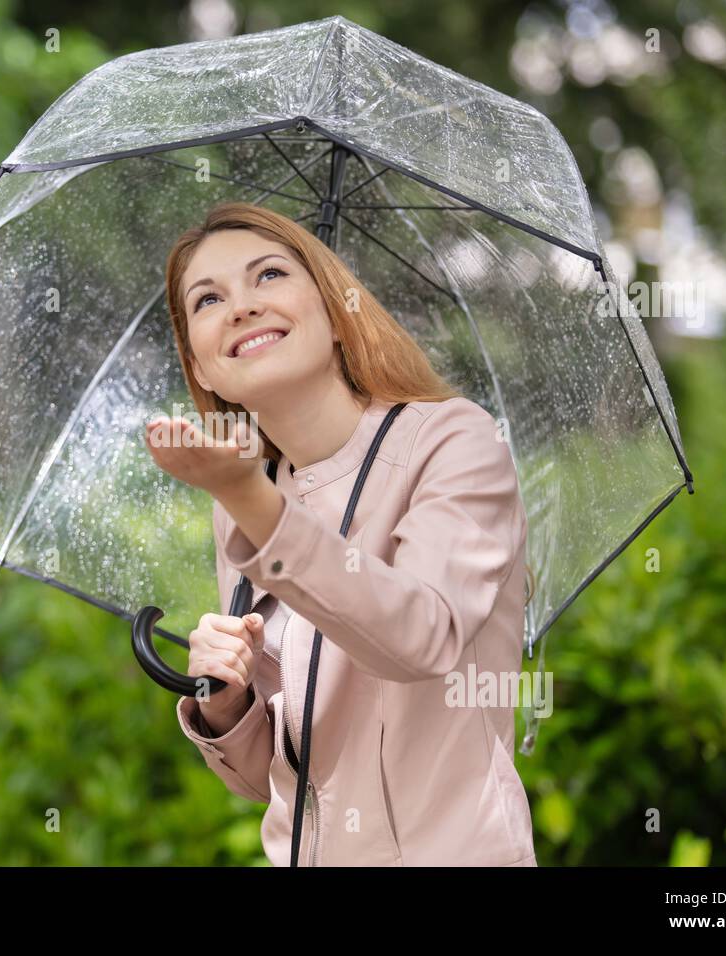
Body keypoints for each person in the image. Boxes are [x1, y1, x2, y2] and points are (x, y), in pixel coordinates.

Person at [142, 201, 537, 866]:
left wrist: (247, 498)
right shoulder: (249, 488)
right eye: (208, 298)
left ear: (333, 310)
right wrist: (224, 696)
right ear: (201, 367)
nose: (241, 306)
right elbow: (258, 773)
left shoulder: (451, 439)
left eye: (269, 276)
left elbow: (422, 636)